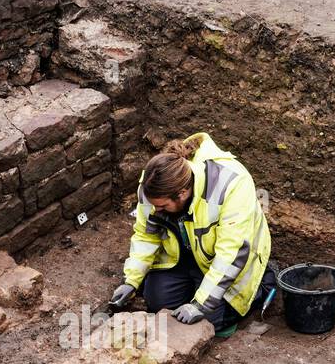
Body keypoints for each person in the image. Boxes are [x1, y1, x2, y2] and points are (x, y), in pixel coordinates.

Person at [110, 132, 275, 338]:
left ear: (181, 193)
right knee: (157, 304)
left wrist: (200, 305)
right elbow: (146, 235)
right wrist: (131, 281)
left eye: (162, 206)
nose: (156, 210)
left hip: (229, 259)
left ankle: (263, 282)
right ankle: (196, 287)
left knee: (209, 320)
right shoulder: (152, 186)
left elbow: (230, 255)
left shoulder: (232, 185)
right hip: (182, 254)